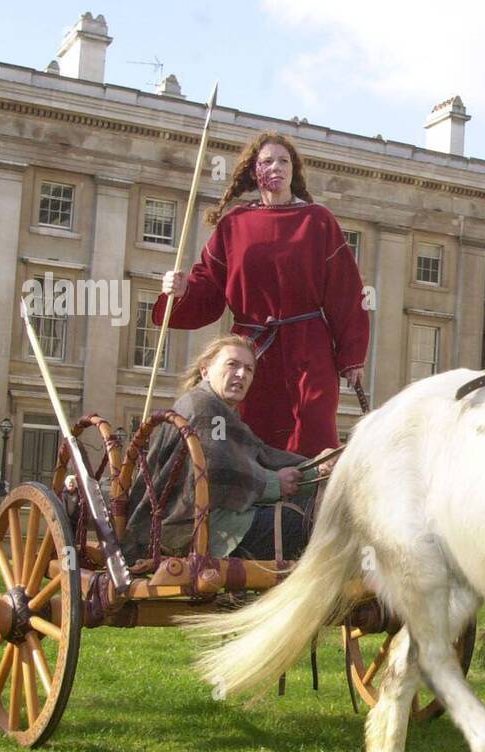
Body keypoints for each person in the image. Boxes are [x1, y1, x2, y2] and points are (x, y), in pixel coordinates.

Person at [153, 131, 369, 458]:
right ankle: (253, 498)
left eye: (284, 161)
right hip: (252, 349)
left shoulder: (317, 221)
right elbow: (209, 283)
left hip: (309, 349)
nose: (276, 167)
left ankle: (306, 507)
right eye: (267, 161)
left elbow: (346, 290)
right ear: (254, 172)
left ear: (293, 171)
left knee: (310, 432)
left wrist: (351, 355)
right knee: (249, 431)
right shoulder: (234, 224)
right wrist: (182, 290)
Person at [121, 335, 334, 563]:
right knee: (312, 524)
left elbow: (261, 455)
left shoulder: (223, 413)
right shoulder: (202, 406)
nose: (241, 374)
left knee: (313, 511)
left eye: (249, 369)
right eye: (232, 364)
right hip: (191, 531)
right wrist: (273, 483)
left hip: (212, 522)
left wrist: (315, 468)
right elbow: (217, 472)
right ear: (205, 371)